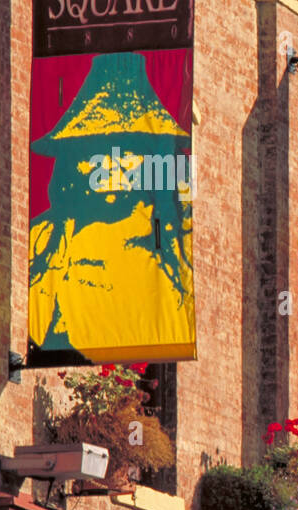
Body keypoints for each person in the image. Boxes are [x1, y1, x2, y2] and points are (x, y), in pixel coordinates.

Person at [29, 51, 194, 362]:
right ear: (69, 161)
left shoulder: (177, 239)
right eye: (91, 149)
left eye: (125, 147)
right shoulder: (40, 239)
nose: (107, 164)